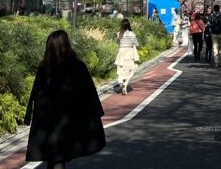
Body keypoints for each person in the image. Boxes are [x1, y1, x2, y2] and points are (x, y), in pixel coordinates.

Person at [25, 30, 106, 169]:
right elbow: (89, 92)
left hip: (47, 120)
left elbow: (36, 93)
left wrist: (31, 116)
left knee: (54, 157)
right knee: (58, 157)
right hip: (68, 119)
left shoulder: (44, 67)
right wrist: (96, 112)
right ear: (66, 44)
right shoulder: (77, 66)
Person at [115, 19, 140, 95]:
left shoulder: (119, 34)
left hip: (121, 53)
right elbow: (136, 43)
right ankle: (125, 85)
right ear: (128, 25)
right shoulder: (132, 34)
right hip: (129, 53)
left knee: (121, 70)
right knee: (130, 71)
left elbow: (118, 42)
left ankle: (121, 81)